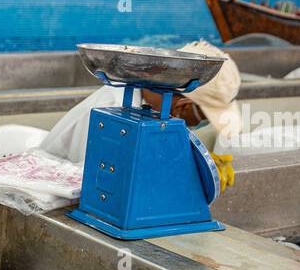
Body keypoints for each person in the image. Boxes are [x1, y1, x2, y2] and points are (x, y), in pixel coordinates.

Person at [37, 40, 240, 190]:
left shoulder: (154, 113)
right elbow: (99, 182)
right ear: (183, 106)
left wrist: (197, 164)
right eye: (204, 118)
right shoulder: (113, 110)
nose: (201, 124)